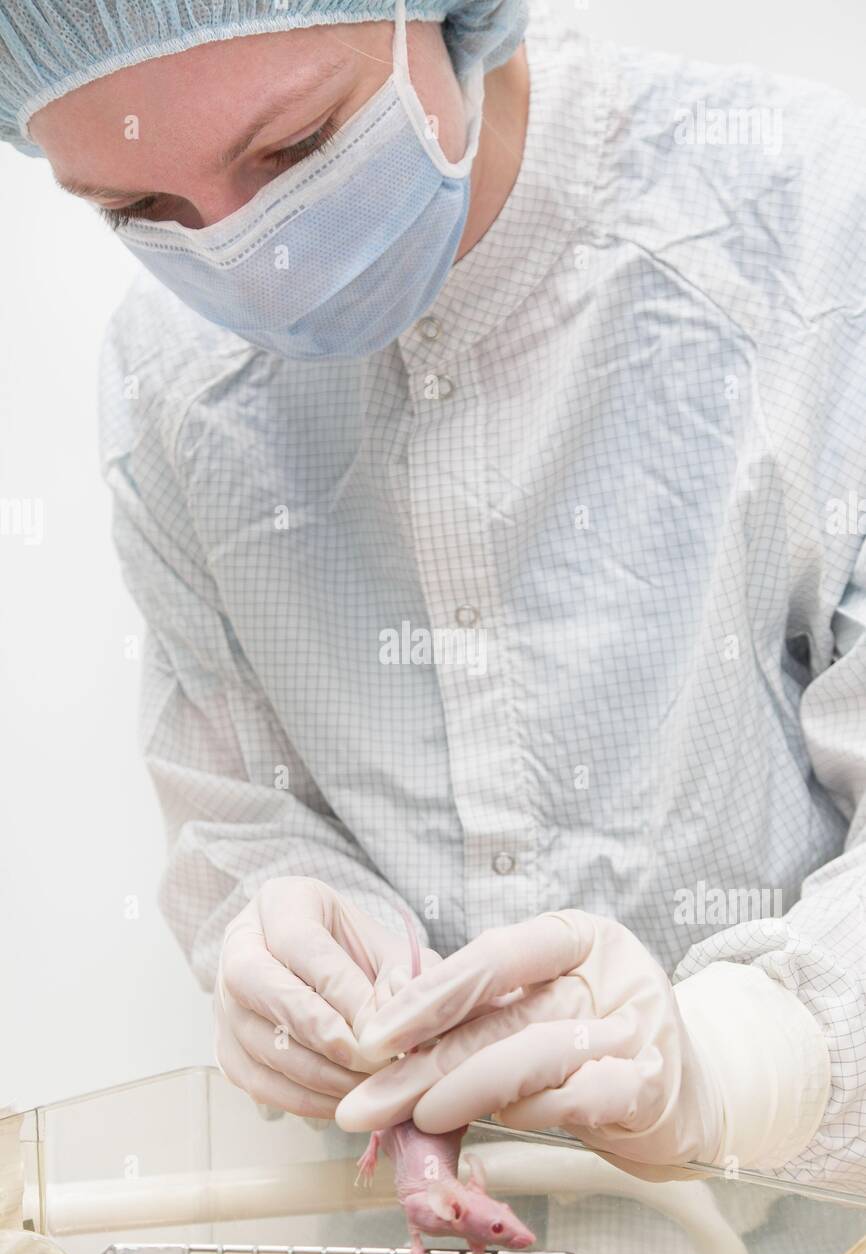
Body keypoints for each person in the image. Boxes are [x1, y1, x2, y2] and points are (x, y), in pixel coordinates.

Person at [2, 0, 864, 1191]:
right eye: (142, 210)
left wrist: (747, 1058)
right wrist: (297, 936)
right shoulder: (170, 383)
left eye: (296, 147)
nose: (249, 254)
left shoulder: (814, 227)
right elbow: (243, 802)